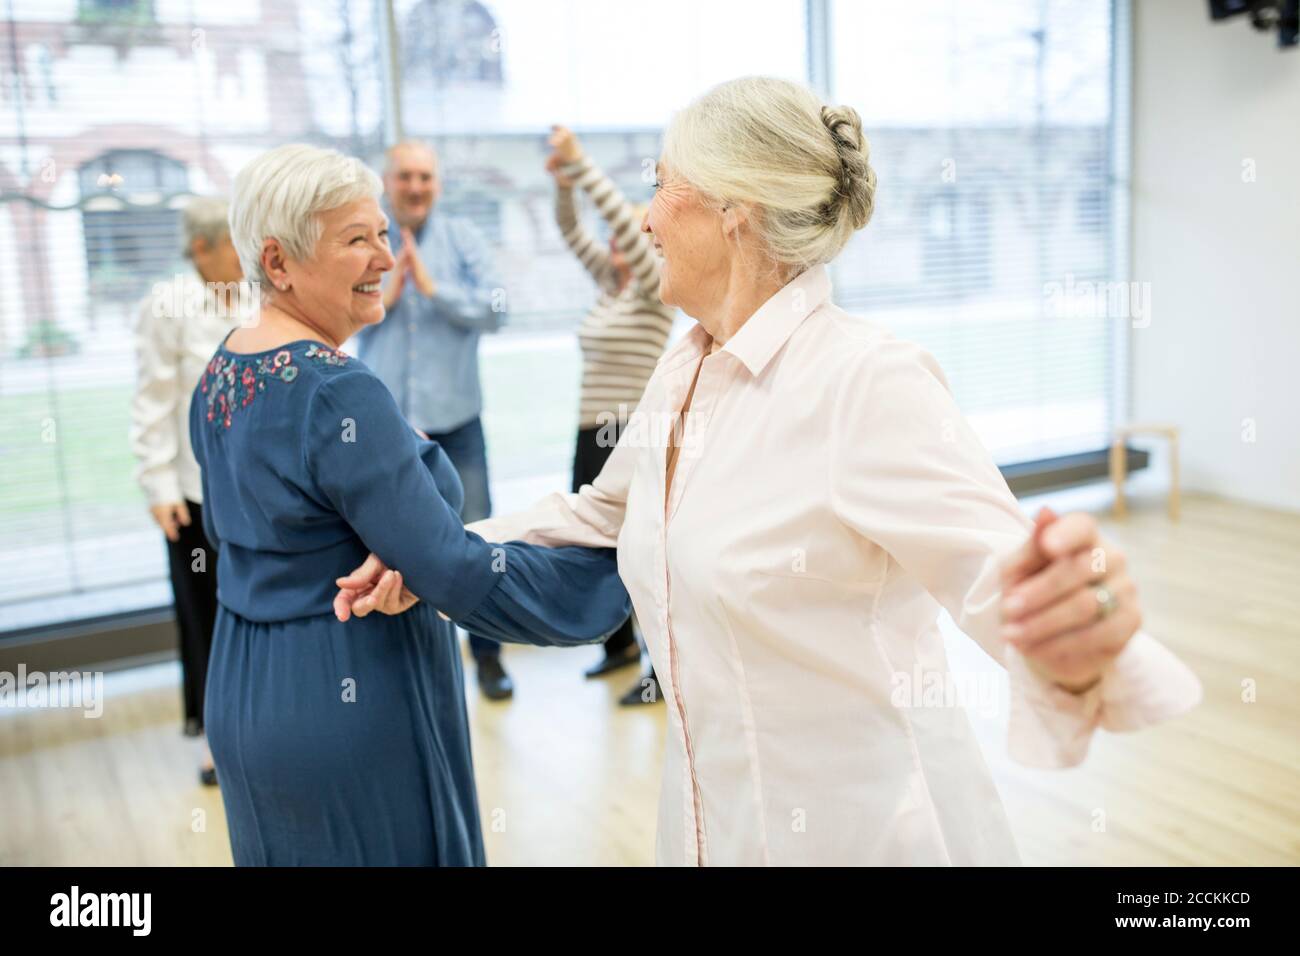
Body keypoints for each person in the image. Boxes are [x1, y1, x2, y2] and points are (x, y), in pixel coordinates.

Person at [337, 77, 1203, 866]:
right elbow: (605, 514)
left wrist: (1084, 622)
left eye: (660, 185)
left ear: (733, 211)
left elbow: (1005, 575)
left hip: (864, 837)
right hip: (708, 828)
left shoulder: (865, 380)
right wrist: (436, 553)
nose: (643, 218)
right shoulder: (684, 367)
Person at [191, 143, 629, 865]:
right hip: (349, 690)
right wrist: (618, 571)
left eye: (383, 235)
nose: (386, 259)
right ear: (277, 263)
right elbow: (454, 570)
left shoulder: (222, 371)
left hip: (246, 694)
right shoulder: (337, 390)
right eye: (357, 240)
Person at [352, 140, 516, 701]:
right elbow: (336, 320)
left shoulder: (462, 240)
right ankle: (400, 671)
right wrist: (387, 297)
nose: (415, 187)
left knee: (477, 537)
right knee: (388, 548)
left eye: (424, 176)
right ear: (387, 182)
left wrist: (431, 289)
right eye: (405, 177)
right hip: (387, 431)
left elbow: (496, 309)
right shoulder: (363, 243)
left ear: (437, 184)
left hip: (456, 423)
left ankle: (489, 660)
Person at [546, 125, 675, 699]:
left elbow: (622, 222)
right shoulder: (610, 286)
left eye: (627, 231)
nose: (616, 241)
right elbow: (572, 230)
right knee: (595, 544)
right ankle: (617, 646)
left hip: (630, 429)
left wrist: (584, 163)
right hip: (588, 430)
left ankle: (660, 667)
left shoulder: (654, 287)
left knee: (641, 550)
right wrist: (565, 182)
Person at [130, 196, 242, 786]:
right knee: (205, 616)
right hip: (194, 496)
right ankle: (215, 740)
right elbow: (153, 399)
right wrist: (158, 482)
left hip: (255, 494)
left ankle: (259, 723)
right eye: (233, 241)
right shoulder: (166, 306)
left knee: (254, 609)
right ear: (201, 248)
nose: (244, 252)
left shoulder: (258, 298)